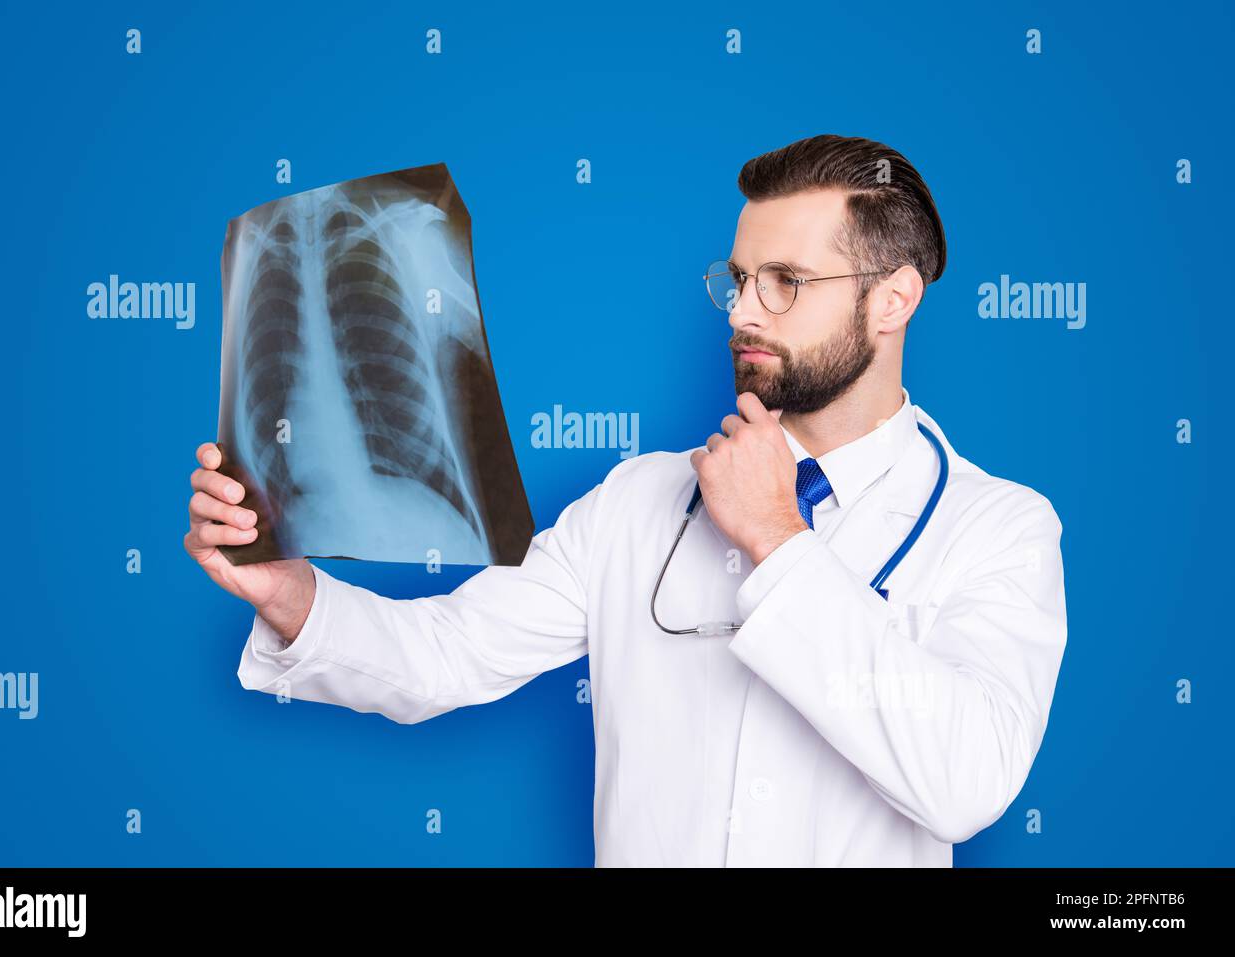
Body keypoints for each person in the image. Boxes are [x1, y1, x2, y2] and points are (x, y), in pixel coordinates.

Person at [184, 133, 1067, 867]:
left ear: (894, 301)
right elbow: (445, 655)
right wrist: (293, 597)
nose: (743, 313)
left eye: (785, 283)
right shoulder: (640, 499)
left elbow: (967, 783)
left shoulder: (1000, 528)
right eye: (739, 277)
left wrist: (778, 541)